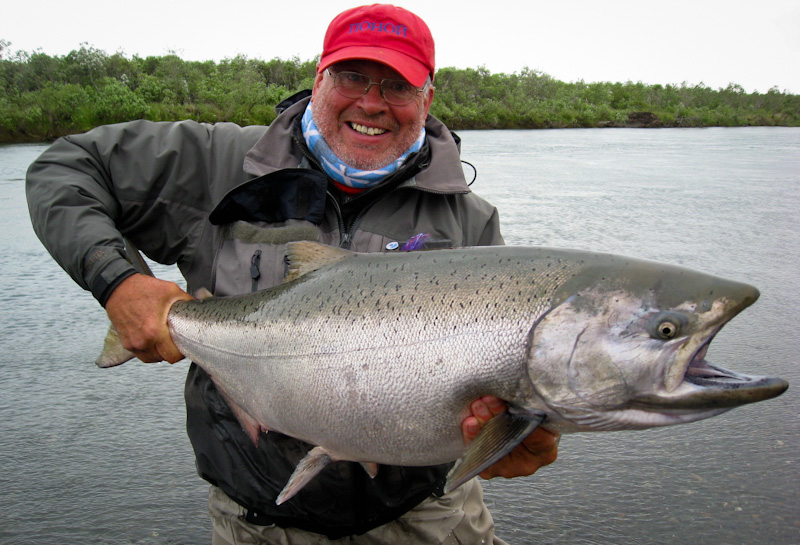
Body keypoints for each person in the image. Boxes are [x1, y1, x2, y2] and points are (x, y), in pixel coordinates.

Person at [26, 4, 558, 544]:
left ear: (427, 99)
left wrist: (508, 440)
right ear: (319, 77)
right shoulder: (219, 164)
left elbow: (502, 391)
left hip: (426, 516)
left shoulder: (469, 220)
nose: (371, 103)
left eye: (397, 86)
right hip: (257, 522)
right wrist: (118, 281)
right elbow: (67, 169)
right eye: (353, 77)